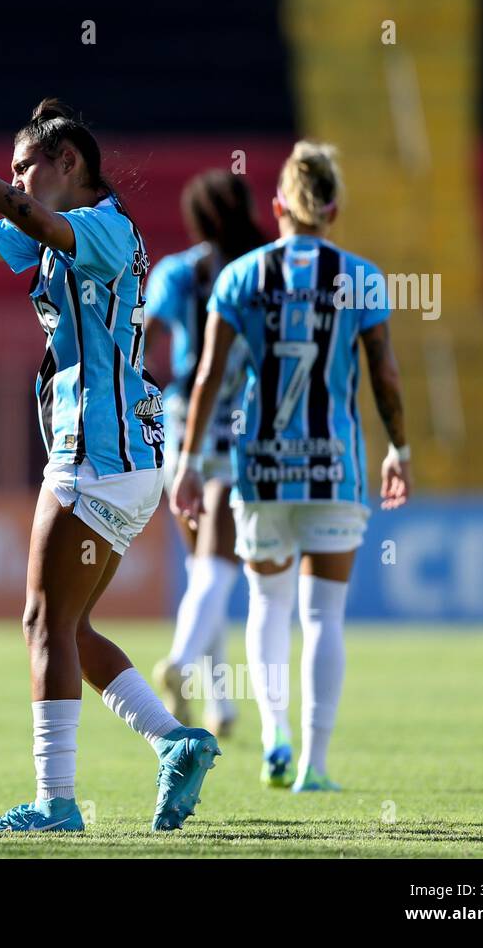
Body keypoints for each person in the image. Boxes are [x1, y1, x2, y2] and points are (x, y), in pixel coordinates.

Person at [0, 100, 220, 833]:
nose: (19, 176)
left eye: (26, 163)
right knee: (70, 625)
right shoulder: (59, 233)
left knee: (40, 621)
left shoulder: (103, 228)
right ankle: (174, 741)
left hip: (97, 452)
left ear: (68, 164)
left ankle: (56, 802)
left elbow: (29, 217)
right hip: (117, 456)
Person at [170, 141, 412, 792]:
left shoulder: (241, 277)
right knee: (324, 616)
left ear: (278, 206)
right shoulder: (360, 277)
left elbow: (207, 379)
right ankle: (315, 763)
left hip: (260, 468)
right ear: (332, 210)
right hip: (334, 464)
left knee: (268, 604)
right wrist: (400, 449)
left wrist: (190, 463)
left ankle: (273, 732)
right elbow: (383, 373)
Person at [145, 170, 268, 738]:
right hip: (244, 416)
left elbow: (140, 330)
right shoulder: (266, 269)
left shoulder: (179, 272)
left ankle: (217, 703)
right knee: (217, 566)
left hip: (181, 420)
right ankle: (182, 663)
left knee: (202, 567)